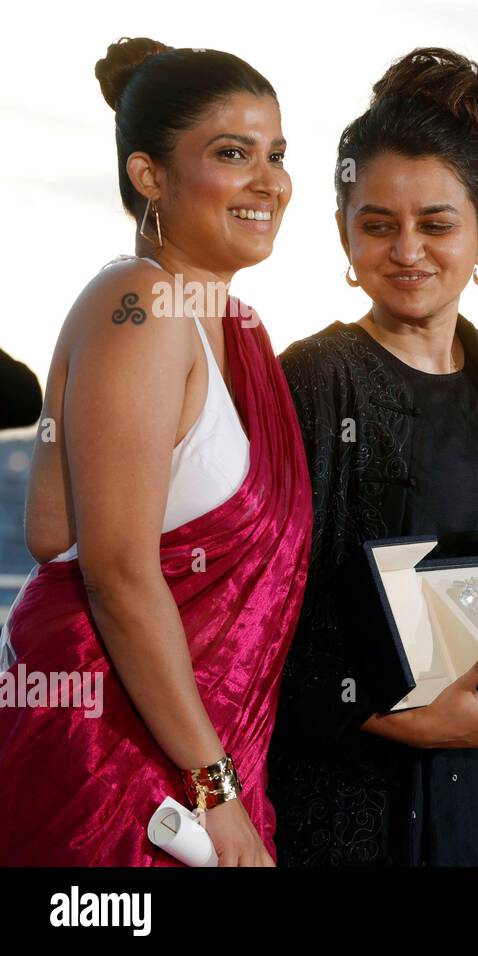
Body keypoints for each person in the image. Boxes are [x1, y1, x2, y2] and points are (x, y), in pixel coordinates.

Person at [0, 37, 308, 865]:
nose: (269, 181)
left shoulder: (233, 330)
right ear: (148, 176)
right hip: (118, 767)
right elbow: (116, 569)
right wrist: (214, 787)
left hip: (201, 755)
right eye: (233, 153)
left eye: (277, 155)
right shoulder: (139, 303)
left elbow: (47, 532)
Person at [266, 48, 478, 867]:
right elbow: (261, 613)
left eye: (437, 224)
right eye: (377, 224)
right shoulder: (311, 379)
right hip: (363, 787)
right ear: (342, 232)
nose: (408, 251)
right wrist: (403, 720)